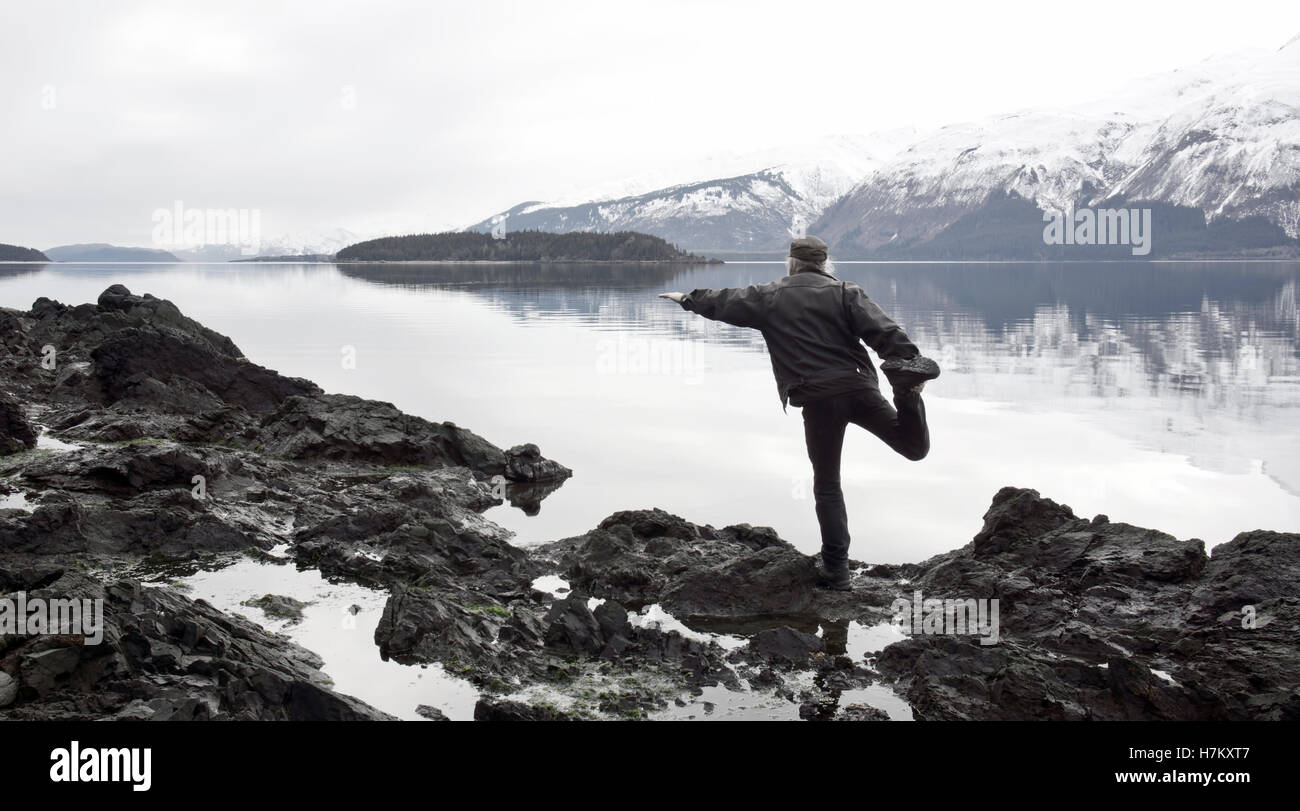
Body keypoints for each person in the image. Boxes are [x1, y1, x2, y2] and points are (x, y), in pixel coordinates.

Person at [658, 235, 939, 591]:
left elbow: (726, 302)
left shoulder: (769, 297)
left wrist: (687, 299)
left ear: (791, 262)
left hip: (819, 398)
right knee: (913, 447)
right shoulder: (845, 293)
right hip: (858, 388)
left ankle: (837, 571)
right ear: (825, 263)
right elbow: (886, 334)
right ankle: (906, 392)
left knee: (827, 484)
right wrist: (907, 358)